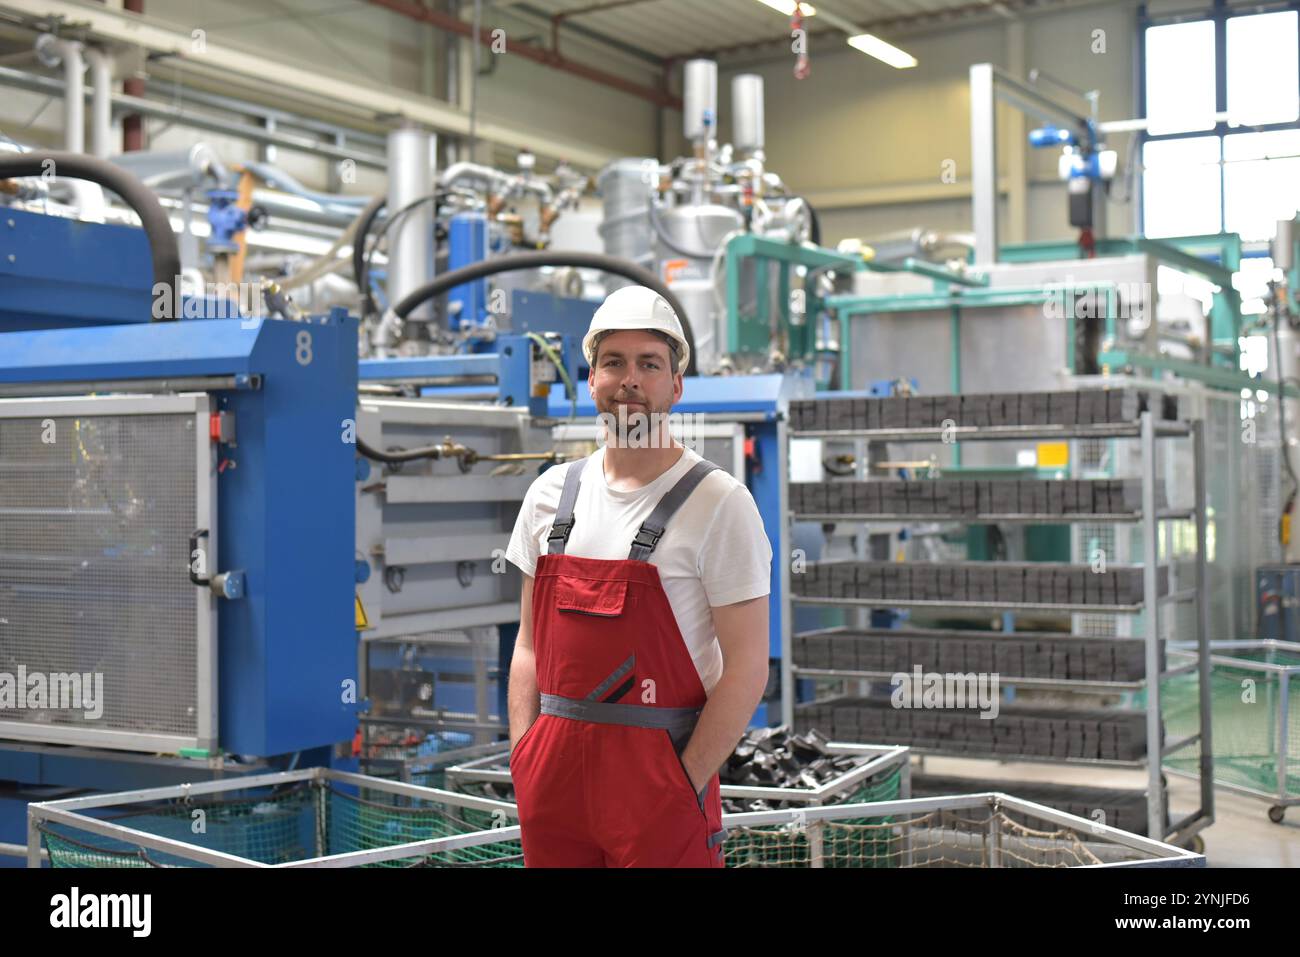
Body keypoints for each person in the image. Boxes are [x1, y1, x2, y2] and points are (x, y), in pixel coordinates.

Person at [504, 284, 772, 867]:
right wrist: (524, 756)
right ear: (592, 379)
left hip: (659, 788)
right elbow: (527, 646)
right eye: (613, 362)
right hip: (551, 785)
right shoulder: (550, 496)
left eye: (649, 364)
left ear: (675, 385)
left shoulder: (720, 504)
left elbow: (749, 668)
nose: (630, 380)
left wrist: (684, 782)